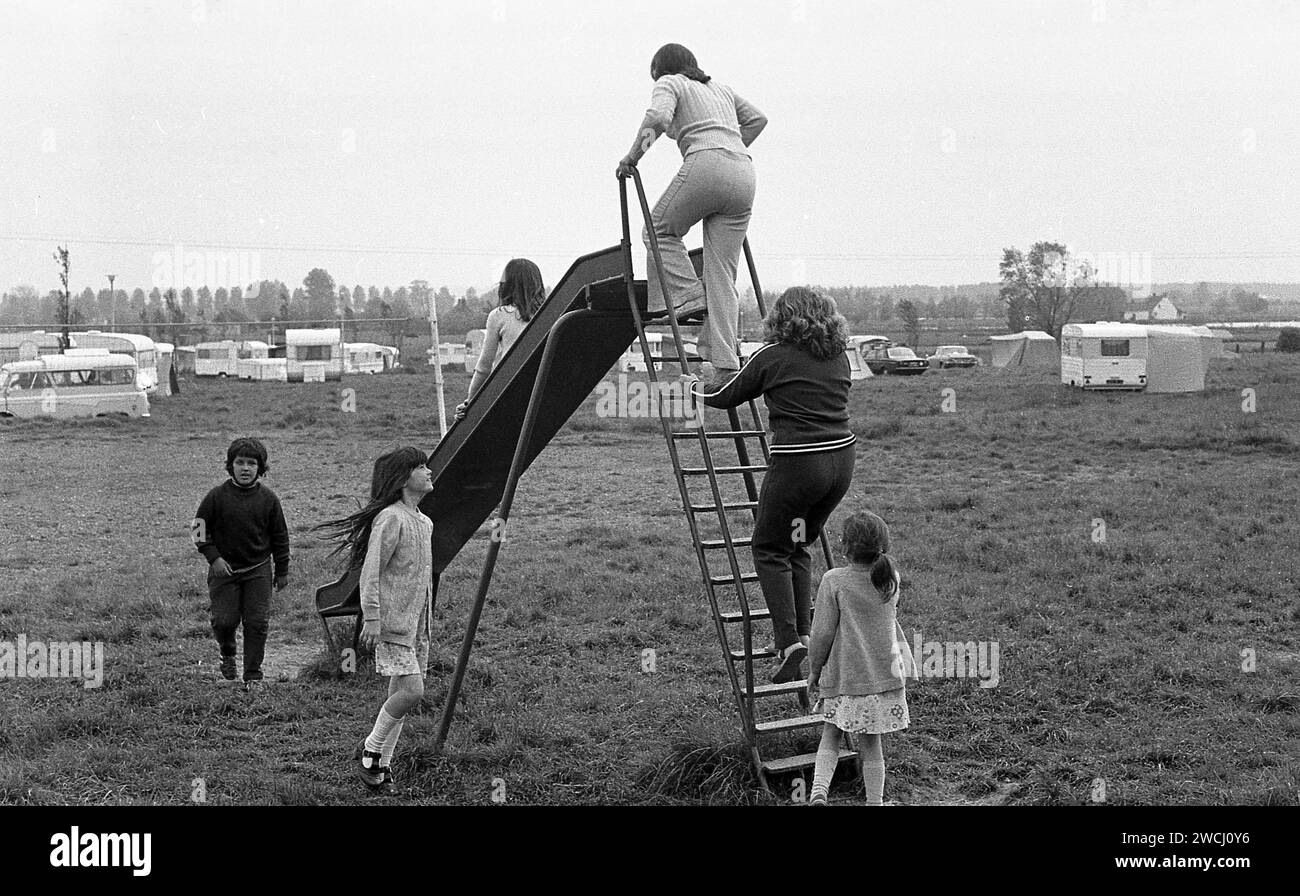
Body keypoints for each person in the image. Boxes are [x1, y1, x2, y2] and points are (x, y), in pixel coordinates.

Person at [693, 287, 855, 683]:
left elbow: (727, 394)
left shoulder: (774, 355)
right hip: (840, 465)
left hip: (799, 466)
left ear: (782, 317)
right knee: (797, 544)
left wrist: (692, 387)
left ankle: (787, 641)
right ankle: (799, 633)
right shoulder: (839, 357)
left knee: (768, 548)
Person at [616, 43, 767, 386]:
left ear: (660, 70)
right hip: (744, 173)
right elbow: (758, 119)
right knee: (722, 273)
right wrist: (732, 143)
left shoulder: (670, 82)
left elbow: (658, 117)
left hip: (705, 162)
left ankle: (686, 295)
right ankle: (726, 365)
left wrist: (632, 158)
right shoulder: (720, 89)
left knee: (657, 230)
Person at [315, 447, 435, 794]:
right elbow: (371, 572)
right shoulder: (390, 519)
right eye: (420, 466)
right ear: (402, 479)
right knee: (412, 692)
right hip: (392, 623)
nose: (429, 471)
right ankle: (371, 750)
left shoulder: (424, 522)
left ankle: (381, 765)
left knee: (399, 692)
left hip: (417, 626)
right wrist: (372, 617)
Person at [806, 510, 916, 806]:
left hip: (845, 676)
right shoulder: (890, 578)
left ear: (844, 546)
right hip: (882, 676)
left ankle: (818, 793)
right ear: (883, 544)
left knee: (831, 733)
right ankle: (875, 803)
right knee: (872, 741)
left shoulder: (834, 581)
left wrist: (814, 672)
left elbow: (822, 634)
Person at [193, 437, 291, 687]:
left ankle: (253, 675)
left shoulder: (269, 499)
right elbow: (198, 530)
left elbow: (280, 536)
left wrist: (281, 571)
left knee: (257, 622)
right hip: (224, 572)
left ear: (261, 468)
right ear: (230, 465)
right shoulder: (216, 497)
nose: (245, 468)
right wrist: (213, 558)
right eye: (240, 462)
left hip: (258, 570)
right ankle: (227, 652)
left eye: (252, 463)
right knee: (224, 621)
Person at [455, 259, 546, 421]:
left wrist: (471, 402)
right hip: (539, 393)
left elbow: (484, 366)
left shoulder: (500, 315)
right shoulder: (550, 315)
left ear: (509, 284)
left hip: (506, 392)